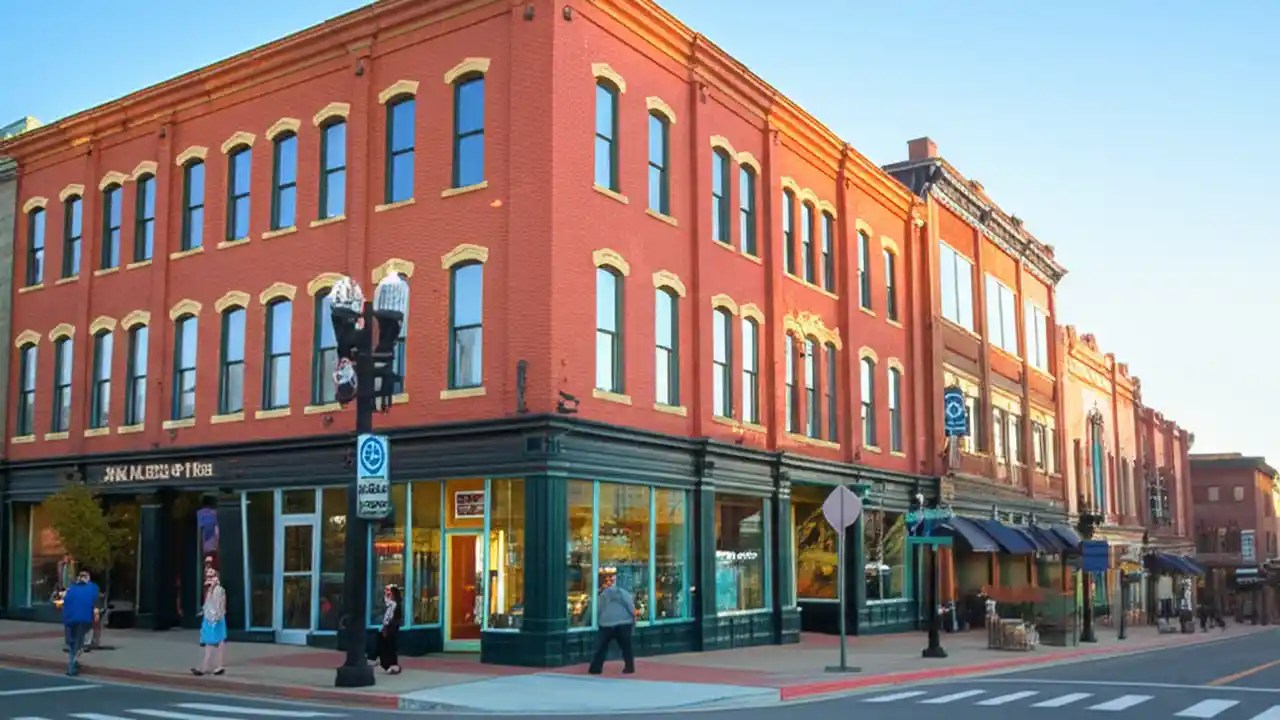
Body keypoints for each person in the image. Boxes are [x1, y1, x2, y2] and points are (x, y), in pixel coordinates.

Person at [588, 567, 636, 675]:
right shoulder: (625, 594)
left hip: (606, 623)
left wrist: (597, 619)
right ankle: (629, 667)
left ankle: (596, 668)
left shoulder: (604, 595)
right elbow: (630, 607)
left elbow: (599, 608)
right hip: (624, 622)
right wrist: (633, 618)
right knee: (626, 647)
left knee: (602, 647)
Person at [61, 570, 99, 676]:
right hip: (85, 619)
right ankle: (73, 664)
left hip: (70, 619)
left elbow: (66, 603)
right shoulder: (92, 587)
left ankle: (72, 663)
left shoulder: (72, 588)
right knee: (79, 641)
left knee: (72, 643)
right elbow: (95, 603)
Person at [192, 570, 227, 676]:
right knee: (212, 642)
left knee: (213, 642)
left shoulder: (219, 590)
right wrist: (203, 611)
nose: (209, 578)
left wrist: (217, 616)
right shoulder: (209, 591)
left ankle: (209, 667)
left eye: (212, 576)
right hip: (209, 619)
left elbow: (221, 605)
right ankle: (213, 666)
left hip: (215, 619)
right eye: (208, 576)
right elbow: (208, 604)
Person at [377, 584, 403, 674]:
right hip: (390, 628)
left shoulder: (393, 604)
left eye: (389, 592)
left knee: (388, 647)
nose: (386, 593)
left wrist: (385, 627)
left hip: (390, 628)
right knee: (388, 647)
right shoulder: (392, 604)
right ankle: (390, 664)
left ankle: (390, 664)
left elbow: (388, 618)